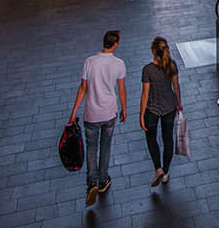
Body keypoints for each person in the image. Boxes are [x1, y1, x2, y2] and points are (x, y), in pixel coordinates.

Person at [69, 30, 127, 206]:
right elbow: (122, 90)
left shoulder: (89, 62)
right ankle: (103, 179)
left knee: (91, 147)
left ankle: (91, 181)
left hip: (91, 113)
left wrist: (73, 112)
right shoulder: (119, 64)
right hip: (109, 112)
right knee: (106, 146)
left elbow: (82, 89)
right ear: (115, 44)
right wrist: (124, 108)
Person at [140, 37, 182, 189]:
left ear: (153, 51)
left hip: (152, 108)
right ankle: (165, 172)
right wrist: (179, 102)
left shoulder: (147, 70)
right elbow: (176, 86)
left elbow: (145, 94)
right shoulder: (171, 65)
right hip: (169, 107)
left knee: (151, 139)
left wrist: (141, 114)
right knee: (167, 139)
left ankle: (157, 168)